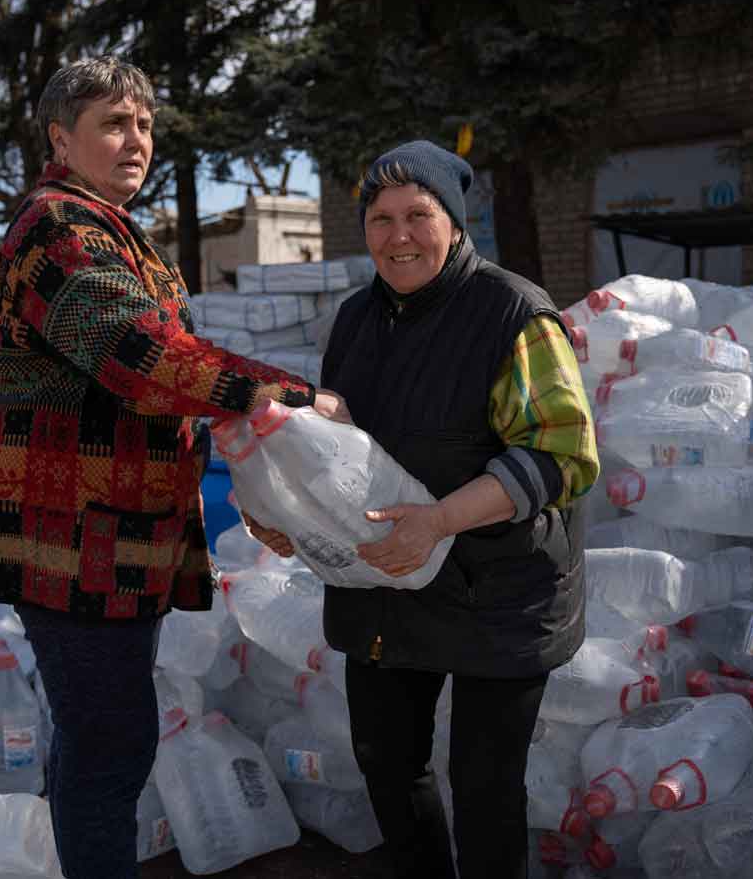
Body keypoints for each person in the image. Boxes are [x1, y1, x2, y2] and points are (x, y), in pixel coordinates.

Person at [0, 56, 345, 879]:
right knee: (111, 744)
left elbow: (160, 375)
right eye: (113, 123)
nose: (136, 140)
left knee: (100, 737)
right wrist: (290, 394)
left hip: (109, 542)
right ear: (62, 138)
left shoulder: (111, 228)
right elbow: (145, 358)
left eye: (143, 124)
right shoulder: (59, 227)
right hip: (71, 542)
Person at [244, 140, 599, 879]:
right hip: (390, 583)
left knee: (484, 787)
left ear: (454, 221)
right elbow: (350, 447)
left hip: (499, 584)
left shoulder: (513, 312)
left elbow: (561, 453)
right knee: (388, 767)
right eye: (380, 217)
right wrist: (286, 503)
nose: (397, 235)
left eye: (417, 214)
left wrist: (438, 521)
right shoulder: (355, 319)